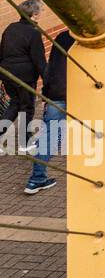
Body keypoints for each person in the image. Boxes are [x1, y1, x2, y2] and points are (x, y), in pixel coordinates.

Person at [25, 28, 72, 195]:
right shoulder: (91, 40)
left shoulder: (62, 37)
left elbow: (51, 67)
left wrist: (46, 94)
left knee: (49, 136)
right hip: (81, 92)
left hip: (56, 92)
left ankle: (36, 179)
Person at [0, 0, 46, 153]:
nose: (41, 14)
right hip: (24, 77)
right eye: (40, 11)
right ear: (34, 15)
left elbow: (2, 52)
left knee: (14, 104)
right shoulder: (34, 33)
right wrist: (48, 82)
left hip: (7, 74)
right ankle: (24, 142)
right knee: (27, 108)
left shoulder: (10, 28)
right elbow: (39, 60)